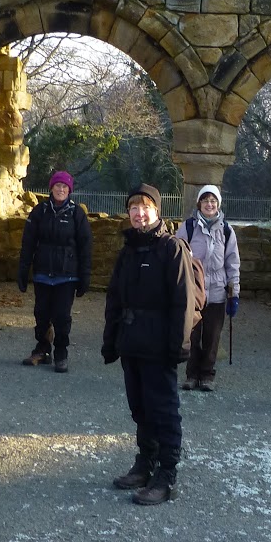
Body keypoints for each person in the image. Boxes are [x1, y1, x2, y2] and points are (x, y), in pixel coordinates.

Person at [101, 183, 196, 505]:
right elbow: (114, 298)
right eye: (133, 208)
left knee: (164, 410)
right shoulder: (128, 251)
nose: (139, 213)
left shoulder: (172, 249)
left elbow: (183, 302)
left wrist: (179, 346)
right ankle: (145, 464)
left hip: (158, 344)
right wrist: (110, 341)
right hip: (132, 341)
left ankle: (167, 475)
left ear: (157, 211)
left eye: (145, 207)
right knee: (140, 408)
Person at [17, 170, 93, 371]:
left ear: (70, 191)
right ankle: (42, 349)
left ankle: (61, 352)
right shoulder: (39, 211)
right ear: (51, 188)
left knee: (61, 316)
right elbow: (28, 243)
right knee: (41, 314)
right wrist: (23, 271)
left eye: (65, 187)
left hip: (66, 275)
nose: (61, 189)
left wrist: (85, 277)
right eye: (57, 186)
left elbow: (85, 247)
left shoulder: (77, 214)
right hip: (43, 272)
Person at [177, 184, 240, 392]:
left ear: (218, 204)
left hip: (217, 292)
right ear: (199, 204)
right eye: (205, 201)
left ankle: (207, 375)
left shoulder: (226, 230)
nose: (209, 205)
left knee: (212, 336)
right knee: (192, 335)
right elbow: (177, 258)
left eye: (213, 201)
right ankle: (191, 374)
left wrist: (234, 292)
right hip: (193, 293)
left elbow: (232, 262)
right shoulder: (187, 227)